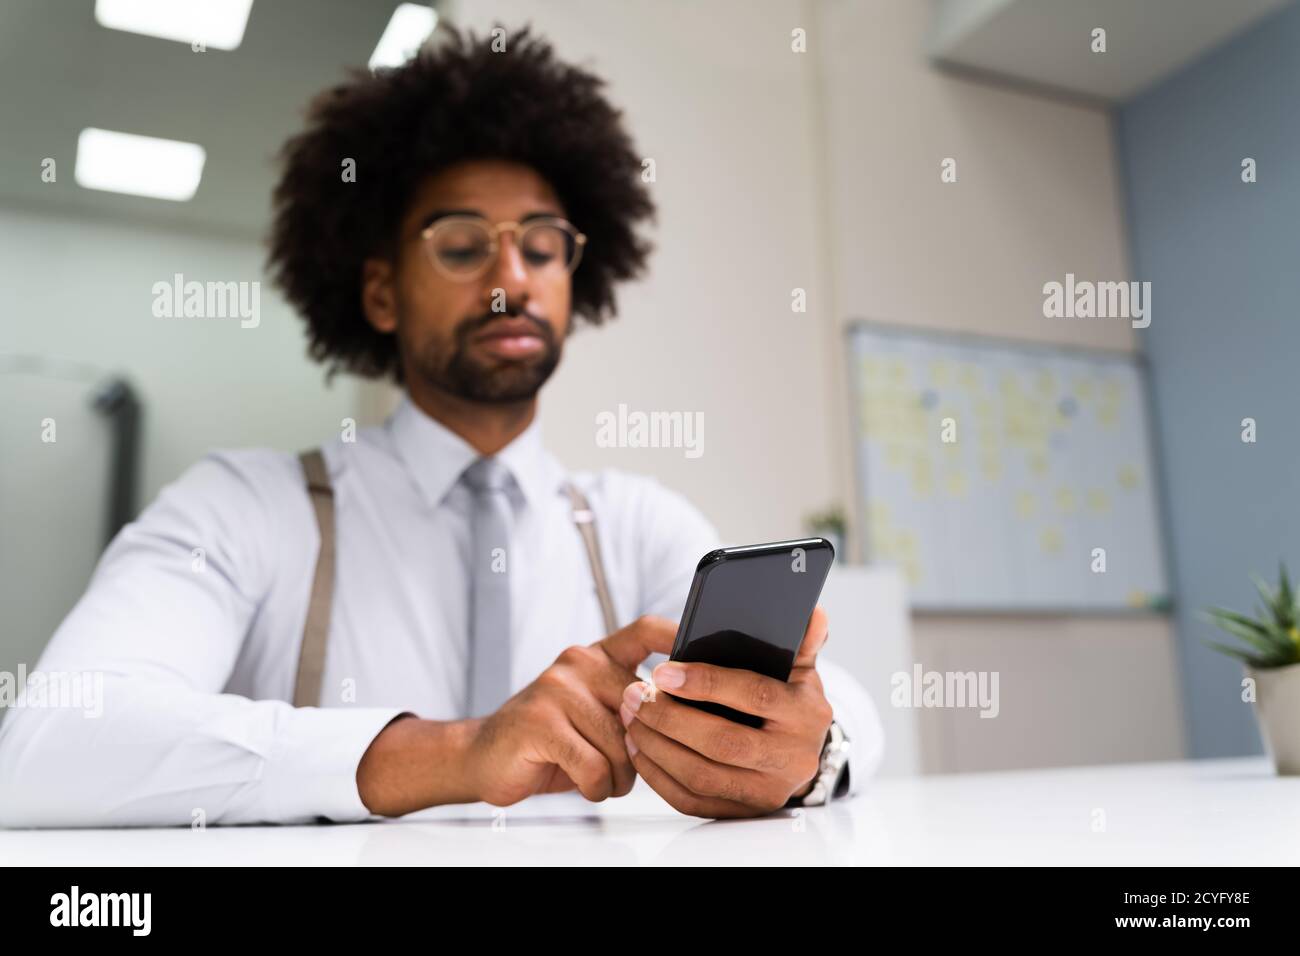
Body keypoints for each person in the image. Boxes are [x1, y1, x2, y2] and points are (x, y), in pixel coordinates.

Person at [0, 24, 882, 826]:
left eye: (542, 247)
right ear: (380, 292)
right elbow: (45, 746)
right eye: (463, 246)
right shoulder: (245, 507)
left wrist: (809, 748)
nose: (512, 278)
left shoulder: (634, 525)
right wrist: (455, 752)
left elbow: (845, 703)